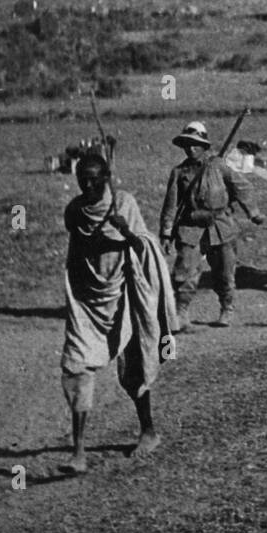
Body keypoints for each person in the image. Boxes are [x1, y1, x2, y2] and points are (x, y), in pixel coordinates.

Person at [61, 154, 175, 474]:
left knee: (133, 368)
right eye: (83, 179)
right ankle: (78, 452)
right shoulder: (74, 211)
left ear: (107, 177)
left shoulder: (124, 204)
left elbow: (143, 248)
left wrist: (125, 231)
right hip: (87, 302)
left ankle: (148, 431)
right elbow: (76, 242)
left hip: (121, 297)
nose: (88, 185)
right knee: (76, 366)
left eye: (95, 179)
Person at [160, 121, 262, 331]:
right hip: (191, 226)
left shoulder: (219, 166)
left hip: (221, 226)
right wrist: (166, 233)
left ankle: (227, 308)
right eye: (187, 144)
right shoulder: (179, 172)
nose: (191, 148)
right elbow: (171, 204)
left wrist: (253, 212)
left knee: (224, 271)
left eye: (195, 144)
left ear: (204, 146)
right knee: (184, 272)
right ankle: (181, 313)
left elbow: (242, 187)